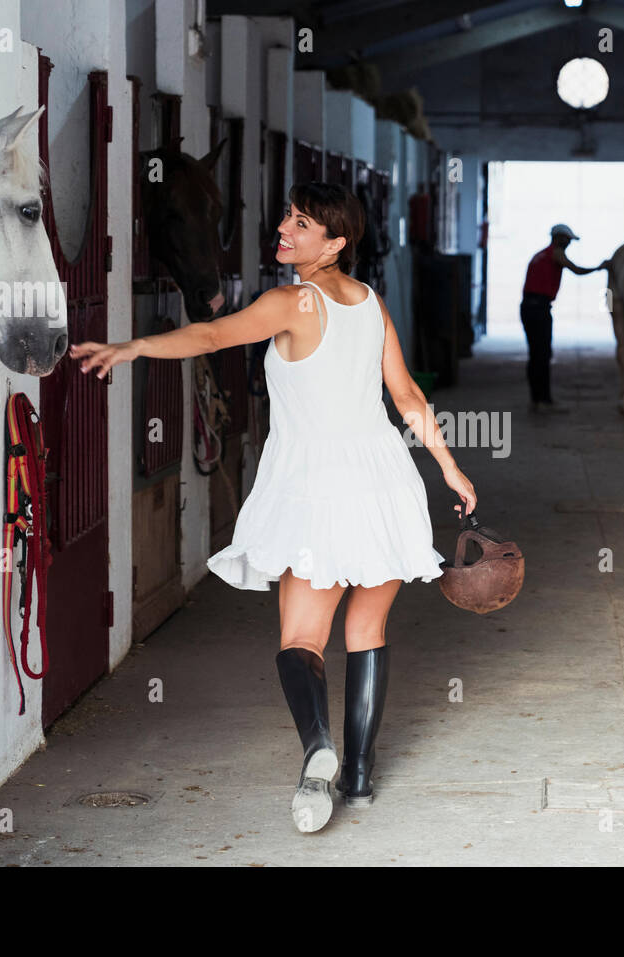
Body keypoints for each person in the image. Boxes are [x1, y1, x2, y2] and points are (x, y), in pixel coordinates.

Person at [69, 181, 477, 834]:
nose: (285, 227)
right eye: (288, 214)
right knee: (366, 630)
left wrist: (134, 347)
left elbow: (208, 336)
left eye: (304, 222)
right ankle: (363, 775)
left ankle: (321, 751)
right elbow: (406, 397)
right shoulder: (371, 303)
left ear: (336, 243)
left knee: (300, 638)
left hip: (317, 488)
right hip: (384, 484)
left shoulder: (292, 301)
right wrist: (450, 467)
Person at [520, 224, 607, 413]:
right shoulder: (555, 253)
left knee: (536, 355)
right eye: (567, 240)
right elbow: (576, 270)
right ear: (558, 237)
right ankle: (543, 400)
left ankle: (537, 399)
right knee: (542, 355)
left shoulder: (541, 254)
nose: (568, 244)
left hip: (530, 307)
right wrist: (599, 268)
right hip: (538, 309)